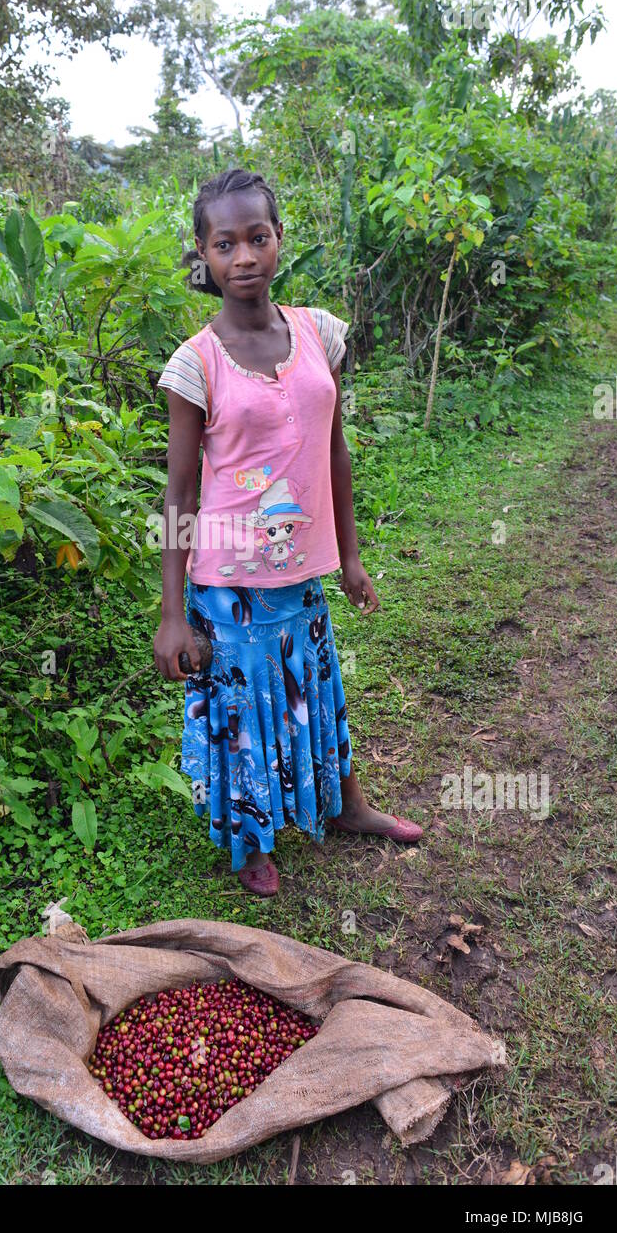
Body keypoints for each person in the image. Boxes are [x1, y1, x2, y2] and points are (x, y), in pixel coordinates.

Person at [153, 167, 423, 898]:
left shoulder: (318, 335)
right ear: (204, 256)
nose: (243, 256)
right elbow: (179, 491)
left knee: (314, 685)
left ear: (277, 243)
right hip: (228, 581)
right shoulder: (194, 364)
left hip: (299, 567)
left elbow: (332, 450)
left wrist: (352, 558)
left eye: (256, 237)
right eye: (224, 243)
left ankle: (345, 806)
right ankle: (249, 843)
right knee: (242, 708)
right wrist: (172, 613)